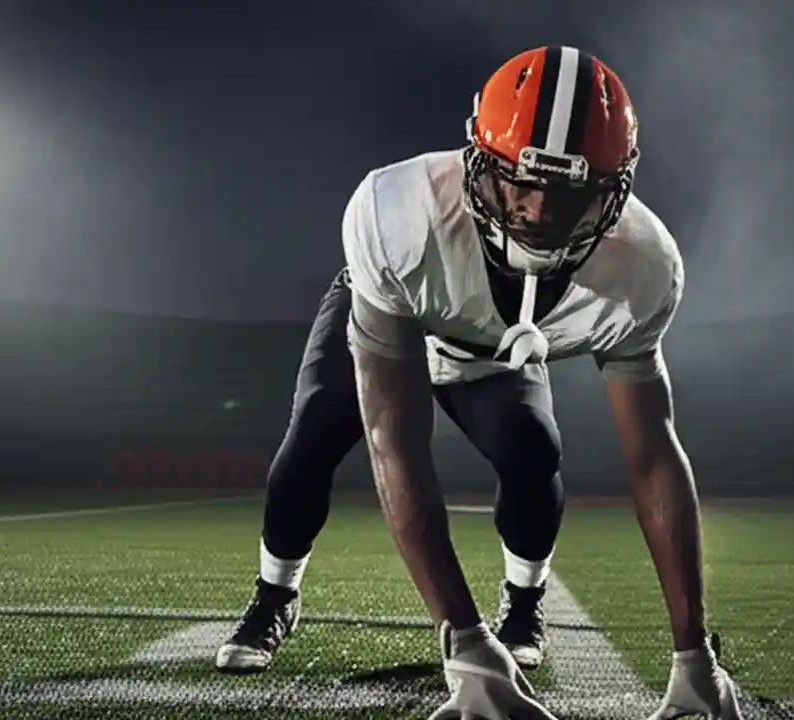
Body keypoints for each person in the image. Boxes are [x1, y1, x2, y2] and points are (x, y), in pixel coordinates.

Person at [226, 45, 744, 720]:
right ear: (476, 158)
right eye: (518, 181)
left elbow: (652, 457)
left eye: (568, 193)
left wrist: (692, 652)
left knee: (534, 454)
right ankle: (274, 596)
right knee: (314, 436)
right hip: (399, 316)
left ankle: (524, 607)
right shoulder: (396, 214)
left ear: (614, 192)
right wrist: (464, 644)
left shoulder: (644, 267)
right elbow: (396, 442)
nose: (535, 209)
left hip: (494, 357)